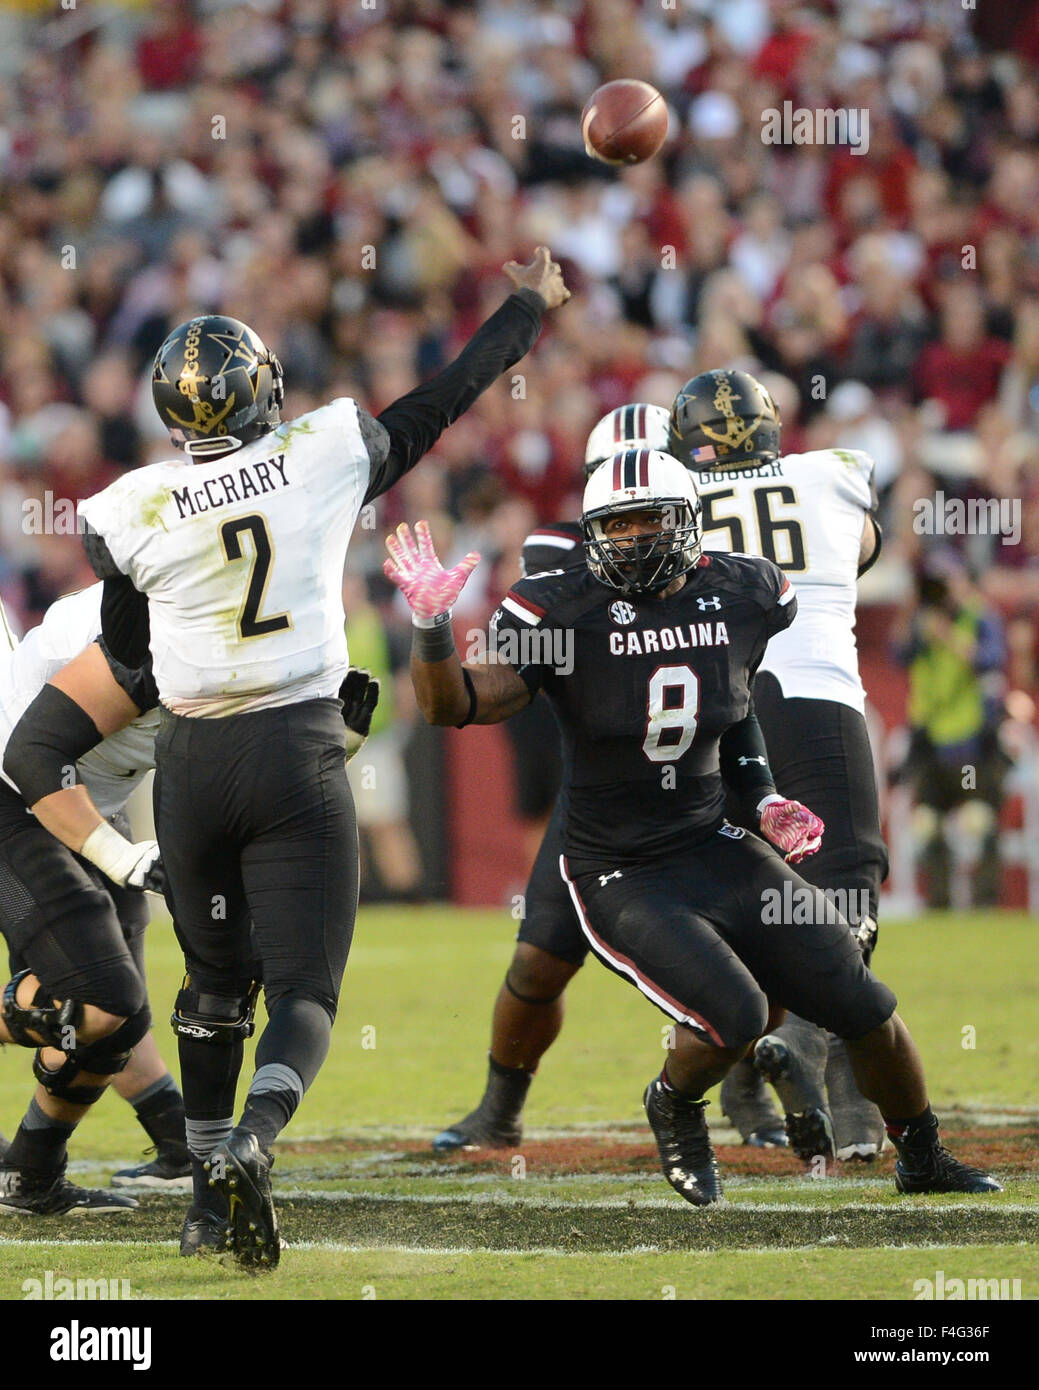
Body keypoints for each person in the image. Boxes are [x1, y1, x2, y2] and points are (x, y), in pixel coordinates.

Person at [68, 249, 569, 1266]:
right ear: (265, 392)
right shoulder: (321, 447)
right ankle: (251, 1143)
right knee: (303, 993)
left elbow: (128, 656)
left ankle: (206, 1199)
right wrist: (524, 309)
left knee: (212, 991)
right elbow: (436, 407)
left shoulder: (132, 508)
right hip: (298, 747)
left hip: (196, 764)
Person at [387, 451, 1001, 1205]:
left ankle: (924, 1156)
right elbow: (457, 704)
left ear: (687, 521)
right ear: (590, 532)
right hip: (618, 865)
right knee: (734, 1015)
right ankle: (674, 1104)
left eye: (648, 518)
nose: (632, 538)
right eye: (614, 525)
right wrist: (429, 626)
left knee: (860, 997)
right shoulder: (562, 606)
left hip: (711, 839)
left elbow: (733, 703)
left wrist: (766, 796)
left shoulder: (745, 590)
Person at [669, 368, 890, 1163]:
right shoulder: (832, 472)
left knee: (730, 893)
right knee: (845, 874)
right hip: (813, 689)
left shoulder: (669, 492)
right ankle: (819, 1056)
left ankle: (736, 1074)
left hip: (709, 703)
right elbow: (862, 550)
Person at [0, 584, 179, 1213]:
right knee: (101, 995)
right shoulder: (142, 621)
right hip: (21, 786)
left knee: (114, 1004)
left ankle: (31, 1175)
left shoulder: (209, 601)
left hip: (75, 793)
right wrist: (117, 854)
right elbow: (27, 752)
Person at [892, 555, 1010, 908]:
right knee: (927, 822)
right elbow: (898, 654)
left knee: (978, 818)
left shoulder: (980, 618)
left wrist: (949, 637)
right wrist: (911, 610)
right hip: (931, 746)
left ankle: (985, 903)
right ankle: (938, 904)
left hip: (971, 748)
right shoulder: (921, 621)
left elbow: (990, 661)